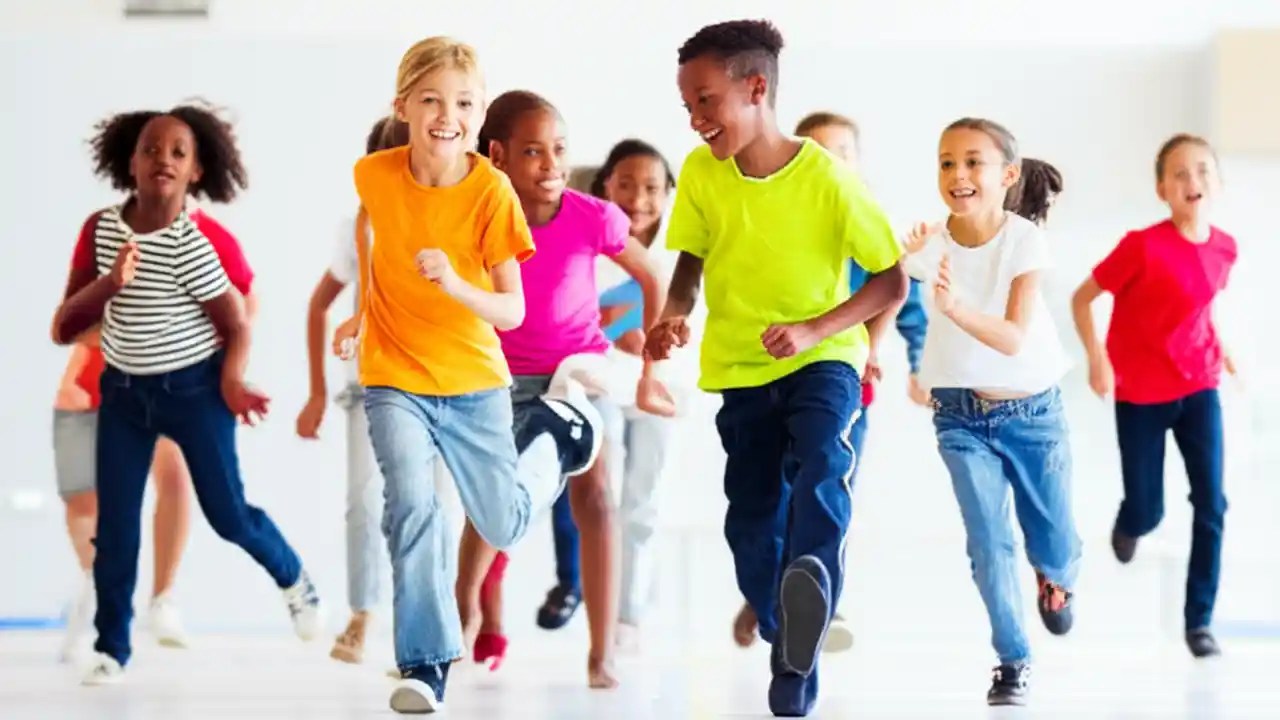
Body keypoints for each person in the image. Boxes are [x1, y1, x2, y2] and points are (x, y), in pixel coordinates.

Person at [333, 37, 607, 713]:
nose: (445, 114)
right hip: (394, 373)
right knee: (413, 507)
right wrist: (362, 316)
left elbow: (511, 310)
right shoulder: (373, 174)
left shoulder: (492, 193)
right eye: (430, 100)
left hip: (474, 379)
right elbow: (380, 253)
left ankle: (555, 436)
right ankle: (425, 665)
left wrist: (456, 284)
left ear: (479, 115)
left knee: (504, 524)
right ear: (403, 107)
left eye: (461, 102)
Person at [647, 19, 908, 717]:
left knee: (823, 464)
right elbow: (690, 263)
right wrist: (674, 312)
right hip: (739, 368)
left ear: (756, 87)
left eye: (706, 101)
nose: (697, 119)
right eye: (688, 106)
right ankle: (787, 631)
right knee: (751, 521)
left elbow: (891, 281)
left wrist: (815, 329)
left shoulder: (828, 180)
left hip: (824, 359)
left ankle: (813, 583)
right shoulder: (703, 173)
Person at [50, 101, 322, 686]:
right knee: (117, 525)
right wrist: (109, 283)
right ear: (131, 161)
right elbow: (63, 325)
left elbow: (239, 323)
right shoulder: (101, 231)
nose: (162, 160)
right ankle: (111, 648)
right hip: (123, 394)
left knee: (227, 514)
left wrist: (232, 383)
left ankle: (294, 578)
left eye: (178, 152)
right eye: (151, 149)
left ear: (197, 171)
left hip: (193, 391)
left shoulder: (194, 243)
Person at [901, 117, 1079, 706]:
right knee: (988, 541)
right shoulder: (931, 243)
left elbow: (1010, 336)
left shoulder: (1024, 240)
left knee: (1053, 540)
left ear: (1006, 175)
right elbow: (892, 292)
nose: (958, 174)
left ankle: (1057, 579)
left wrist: (951, 310)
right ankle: (1012, 659)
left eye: (973, 162)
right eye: (947, 162)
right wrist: (876, 353)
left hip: (1033, 413)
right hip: (958, 416)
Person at [53, 201, 257, 661]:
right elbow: (78, 315)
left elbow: (244, 310)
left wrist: (222, 375)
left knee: (177, 479)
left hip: (174, 385)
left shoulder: (212, 239)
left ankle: (162, 599)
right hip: (102, 381)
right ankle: (97, 592)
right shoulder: (109, 230)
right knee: (87, 500)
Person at [1070, 133, 1236, 659]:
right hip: (1140, 391)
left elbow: (1197, 307)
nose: (1194, 182)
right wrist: (1097, 358)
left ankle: (1199, 623)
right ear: (1163, 188)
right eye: (1181, 174)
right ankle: (1131, 523)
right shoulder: (1141, 246)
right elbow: (1082, 298)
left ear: (1217, 181)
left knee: (1212, 504)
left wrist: (1223, 350)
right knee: (1149, 508)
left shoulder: (1225, 247)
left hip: (1200, 385)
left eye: (1204, 171)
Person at [295, 116, 411, 665]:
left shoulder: (460, 219)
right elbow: (319, 305)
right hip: (369, 385)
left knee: (426, 506)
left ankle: (421, 628)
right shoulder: (357, 229)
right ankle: (363, 611)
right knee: (364, 503)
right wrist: (317, 392)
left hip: (442, 384)